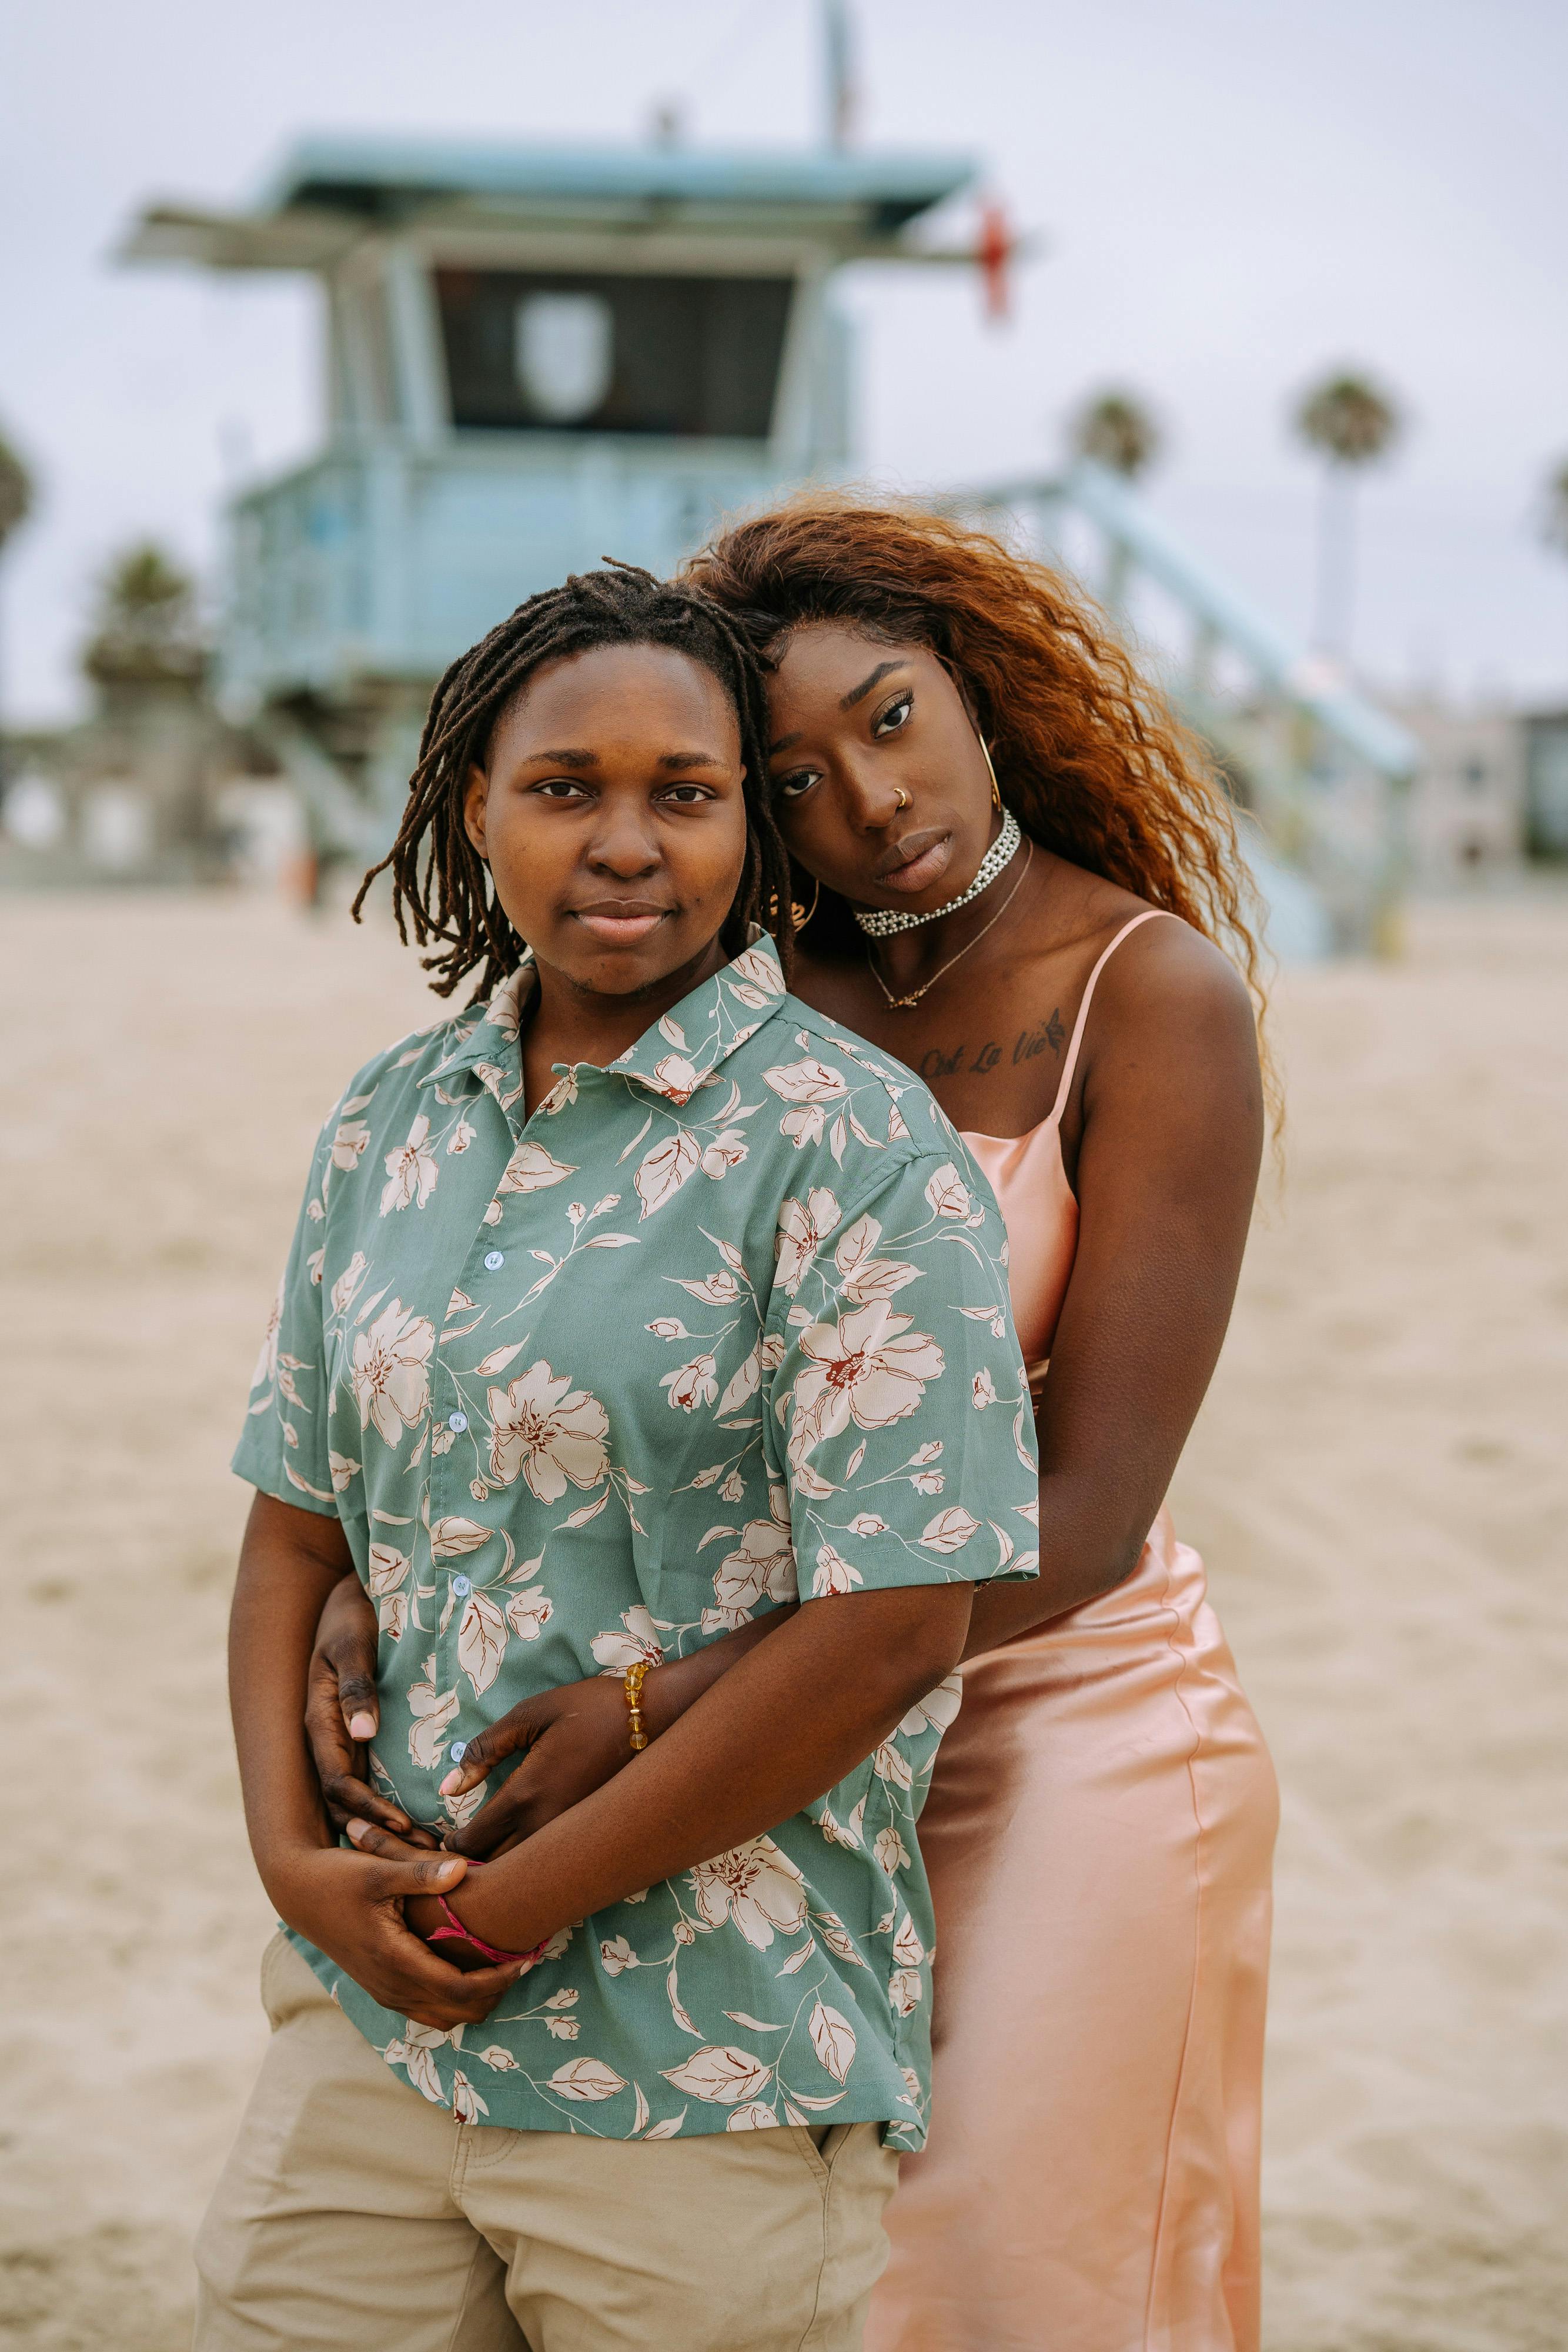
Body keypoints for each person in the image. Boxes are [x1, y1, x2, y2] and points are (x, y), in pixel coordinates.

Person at [307, 503, 1279, 2351]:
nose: (871, 801)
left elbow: (1085, 1514)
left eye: (891, 717)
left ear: (974, 689)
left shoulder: (1145, 995)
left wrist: (666, 1703)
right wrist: (387, 1559)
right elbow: (564, 1331)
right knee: (809, 2262)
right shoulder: (752, 1002)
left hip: (1044, 1712)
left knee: (1010, 2267)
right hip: (764, 1754)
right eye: (795, 778)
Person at [199, 562, 1039, 2352]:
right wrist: (291, 1867)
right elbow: (294, 1528)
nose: (628, 843)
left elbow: (899, 1622)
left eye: (688, 792)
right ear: (472, 808)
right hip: (370, 2023)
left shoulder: (852, 1144)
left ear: (751, 826)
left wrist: (507, 1918)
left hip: (708, 2047)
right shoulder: (390, 1117)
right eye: (566, 787)